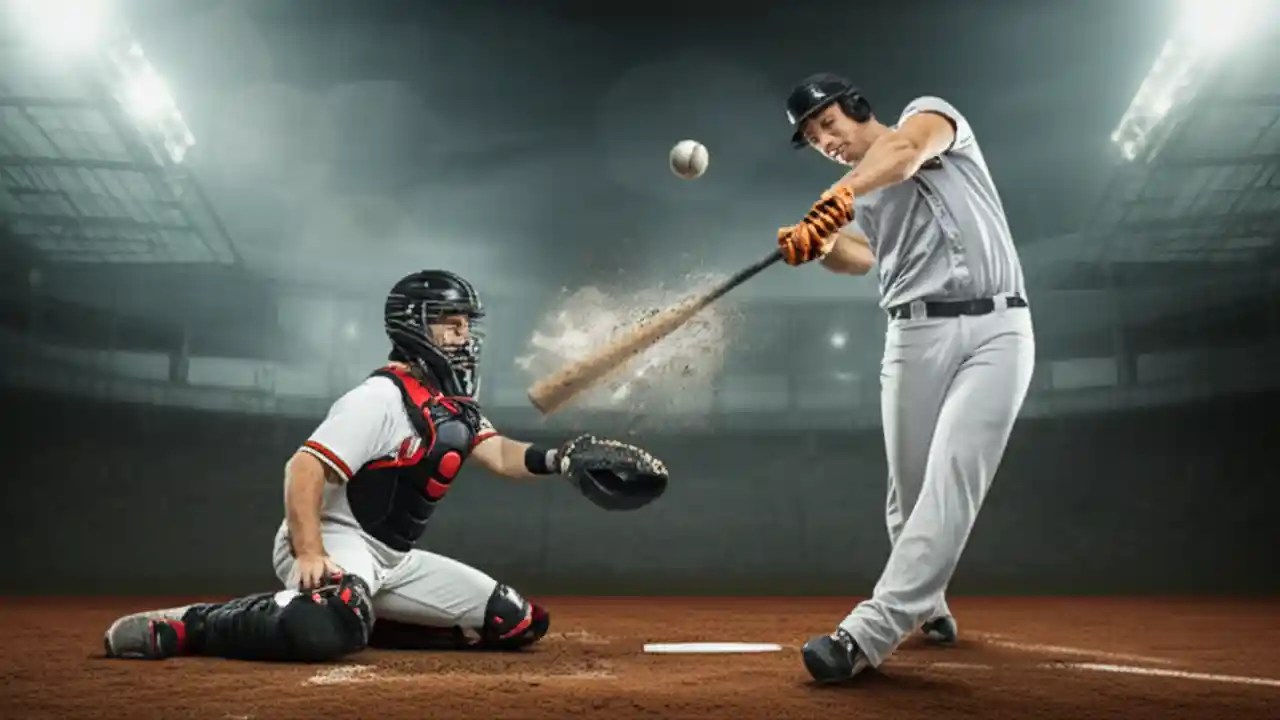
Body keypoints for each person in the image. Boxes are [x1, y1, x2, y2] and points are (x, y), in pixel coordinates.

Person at [103, 269, 667, 661]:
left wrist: (562, 458)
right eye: (450, 322)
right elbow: (303, 469)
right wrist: (309, 552)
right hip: (336, 537)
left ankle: (358, 614)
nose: (464, 335)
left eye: (467, 323)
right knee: (322, 625)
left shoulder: (453, 407)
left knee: (517, 622)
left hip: (392, 561)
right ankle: (192, 623)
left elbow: (497, 453)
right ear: (413, 326)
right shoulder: (379, 399)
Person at [776, 73, 1036, 683]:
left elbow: (903, 155)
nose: (824, 140)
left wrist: (833, 201)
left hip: (998, 328)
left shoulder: (929, 118)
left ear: (857, 105)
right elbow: (863, 258)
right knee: (909, 494)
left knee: (952, 477)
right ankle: (929, 602)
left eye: (828, 123)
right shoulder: (854, 192)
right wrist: (818, 243)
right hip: (912, 333)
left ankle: (867, 633)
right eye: (812, 137)